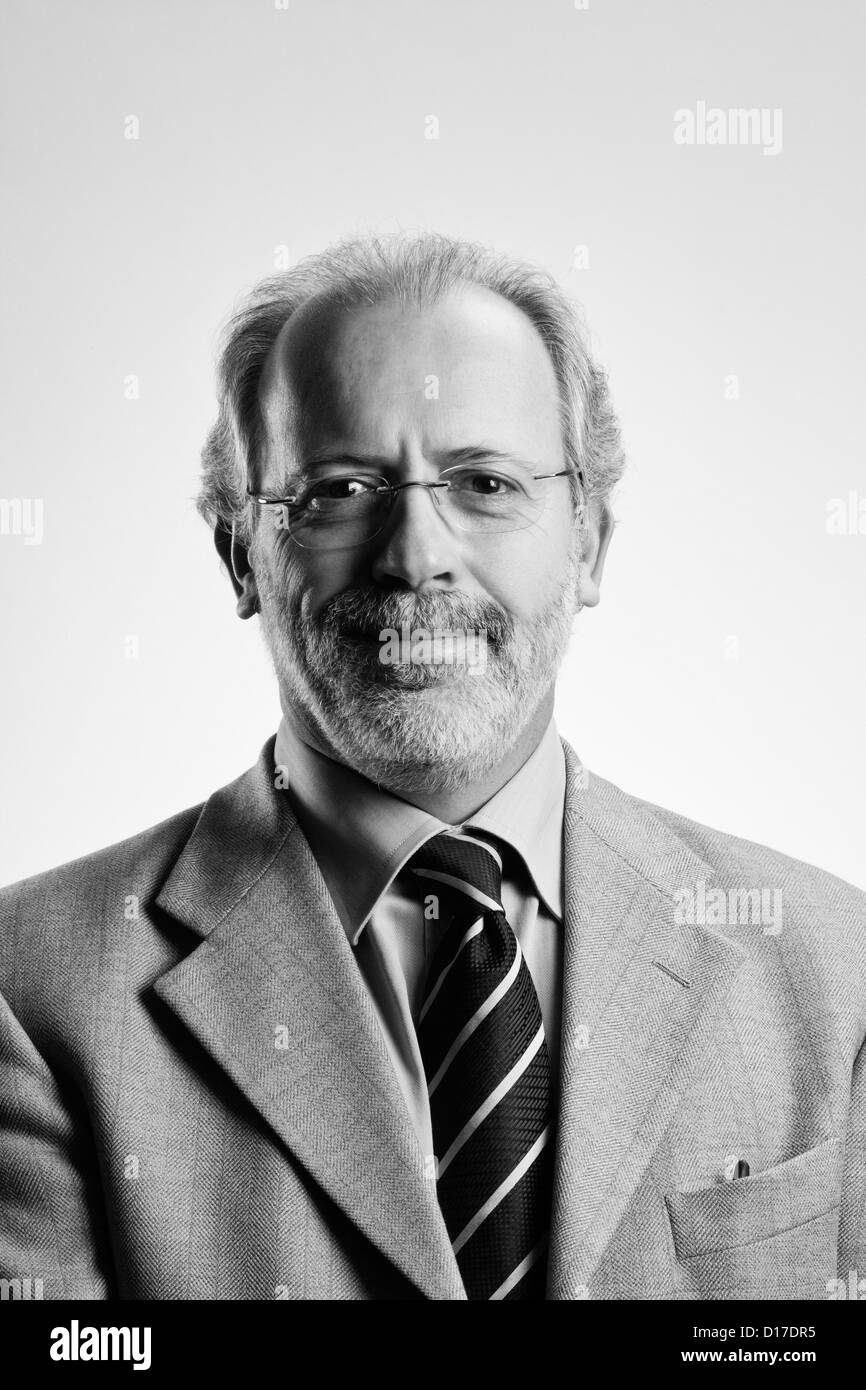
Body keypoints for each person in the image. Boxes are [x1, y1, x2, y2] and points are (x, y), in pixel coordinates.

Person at [1, 234, 863, 1301]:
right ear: (237, 550)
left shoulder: (834, 973)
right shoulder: (30, 991)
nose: (415, 555)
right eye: (339, 489)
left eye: (485, 482)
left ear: (588, 541)